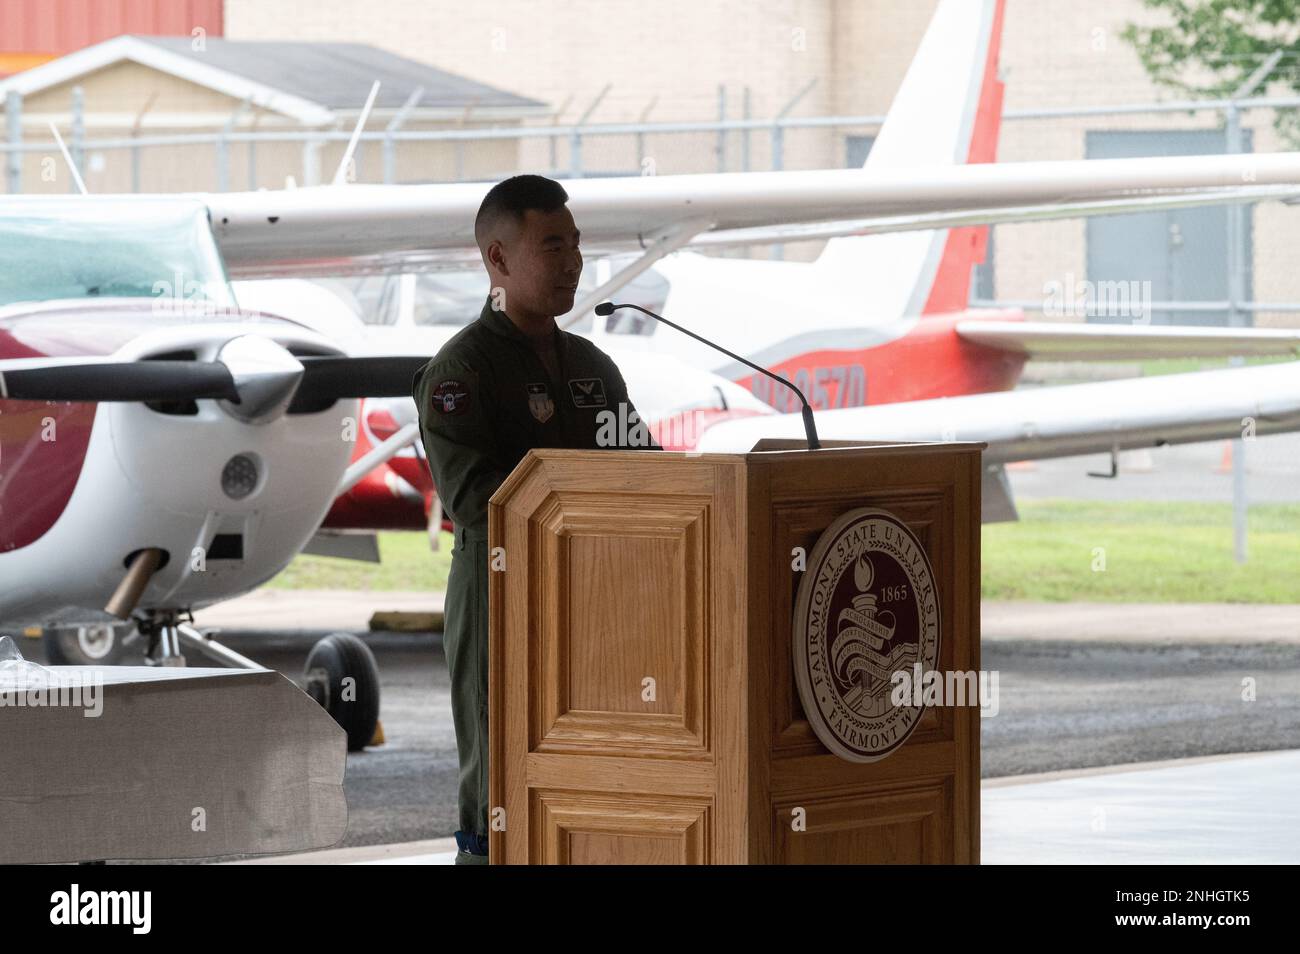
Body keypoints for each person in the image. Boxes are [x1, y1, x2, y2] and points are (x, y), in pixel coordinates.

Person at [412, 174, 658, 865]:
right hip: (504, 605)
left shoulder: (591, 366)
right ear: (497, 258)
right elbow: (473, 498)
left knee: (587, 781)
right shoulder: (462, 371)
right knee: (503, 790)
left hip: (599, 602)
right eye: (553, 245)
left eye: (577, 244)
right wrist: (581, 507)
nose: (574, 262)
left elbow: (642, 467)